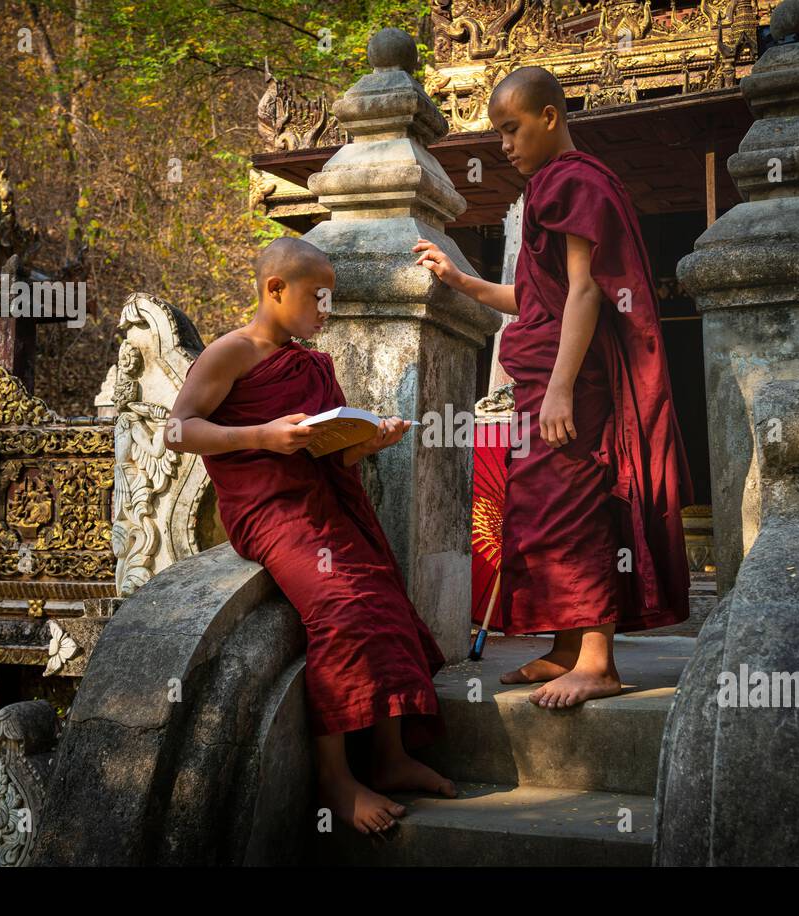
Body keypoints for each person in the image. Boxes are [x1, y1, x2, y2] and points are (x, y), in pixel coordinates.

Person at [413, 66, 694, 709]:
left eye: (511, 128)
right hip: (543, 377)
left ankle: (598, 661)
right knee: (540, 510)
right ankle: (567, 648)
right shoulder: (548, 188)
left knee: (573, 506)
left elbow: (589, 288)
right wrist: (459, 281)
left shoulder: (573, 182)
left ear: (549, 117)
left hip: (572, 383)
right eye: (497, 132)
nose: (504, 145)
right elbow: (539, 300)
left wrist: (563, 386)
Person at [167, 236, 456, 836]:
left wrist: (368, 440)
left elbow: (333, 455)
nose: (326, 309)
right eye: (317, 297)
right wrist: (263, 436)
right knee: (341, 609)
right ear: (275, 290)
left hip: (325, 503)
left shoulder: (314, 364)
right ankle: (334, 777)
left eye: (331, 298)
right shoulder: (231, 353)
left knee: (384, 599)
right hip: (270, 510)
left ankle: (391, 755)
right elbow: (179, 430)